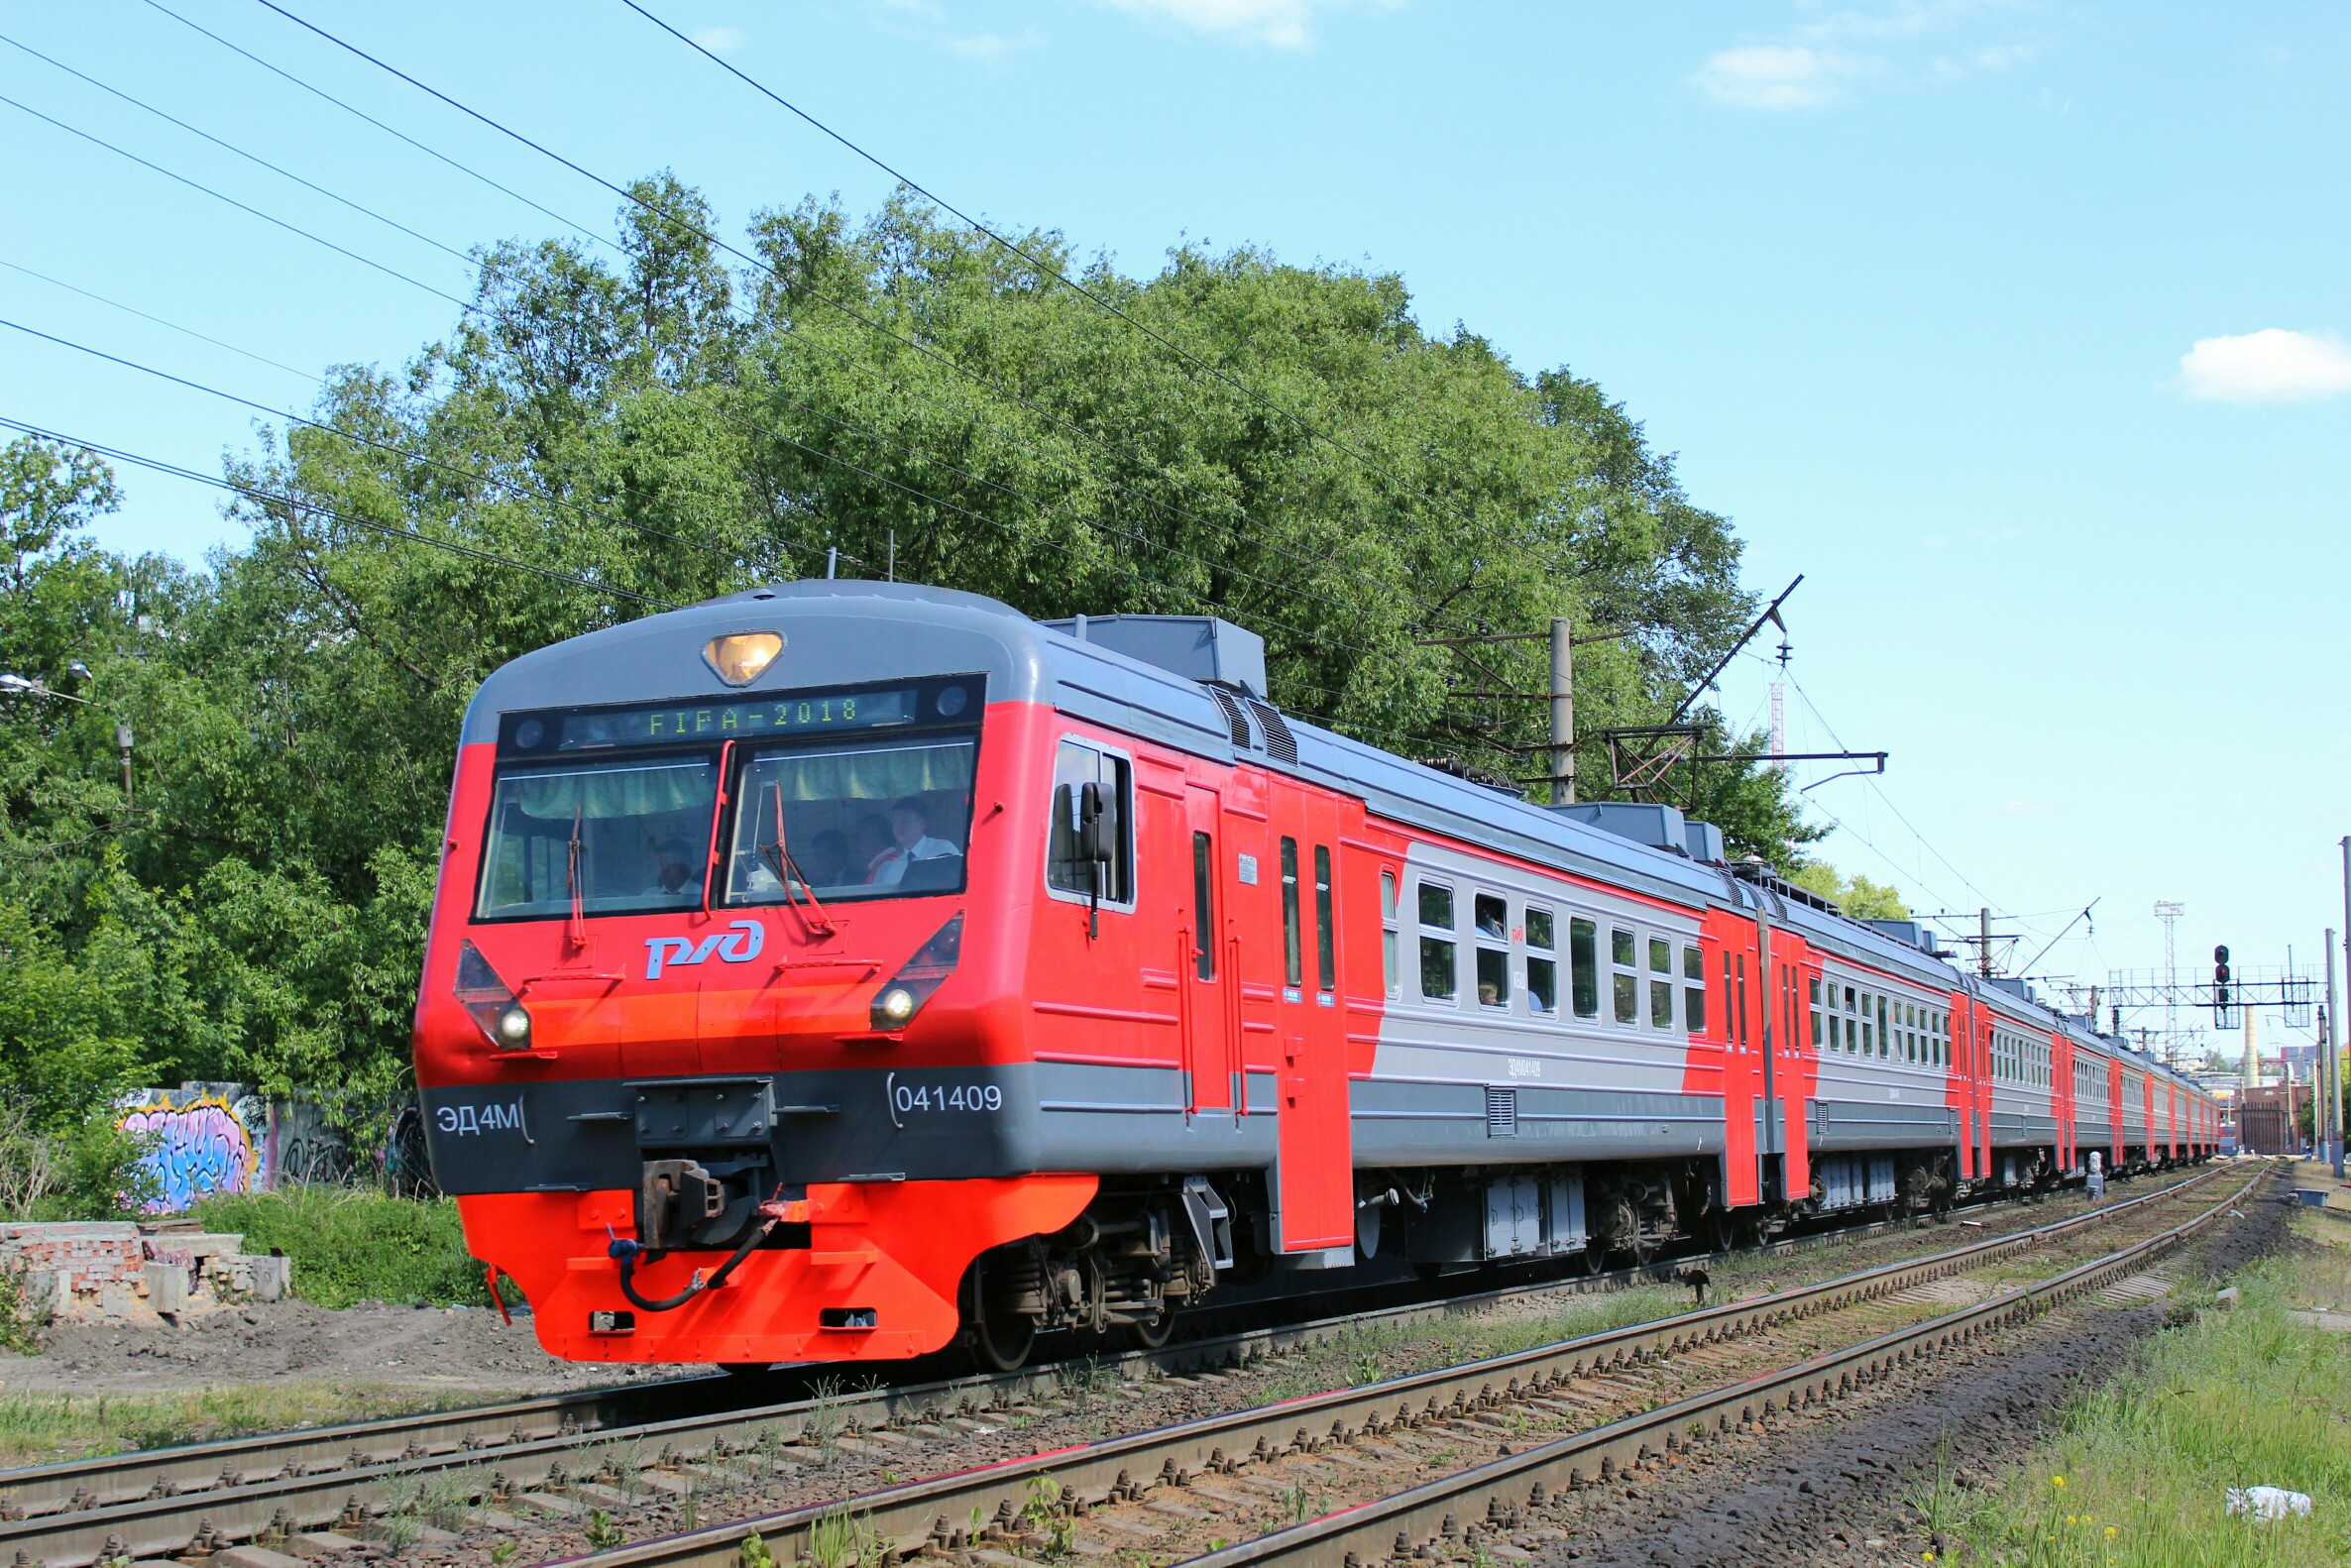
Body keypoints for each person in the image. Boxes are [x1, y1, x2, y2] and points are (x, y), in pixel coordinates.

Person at [864, 797, 960, 884]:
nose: (899, 826)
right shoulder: (894, 868)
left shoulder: (943, 849)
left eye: (904, 820)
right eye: (895, 821)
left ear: (922, 823)